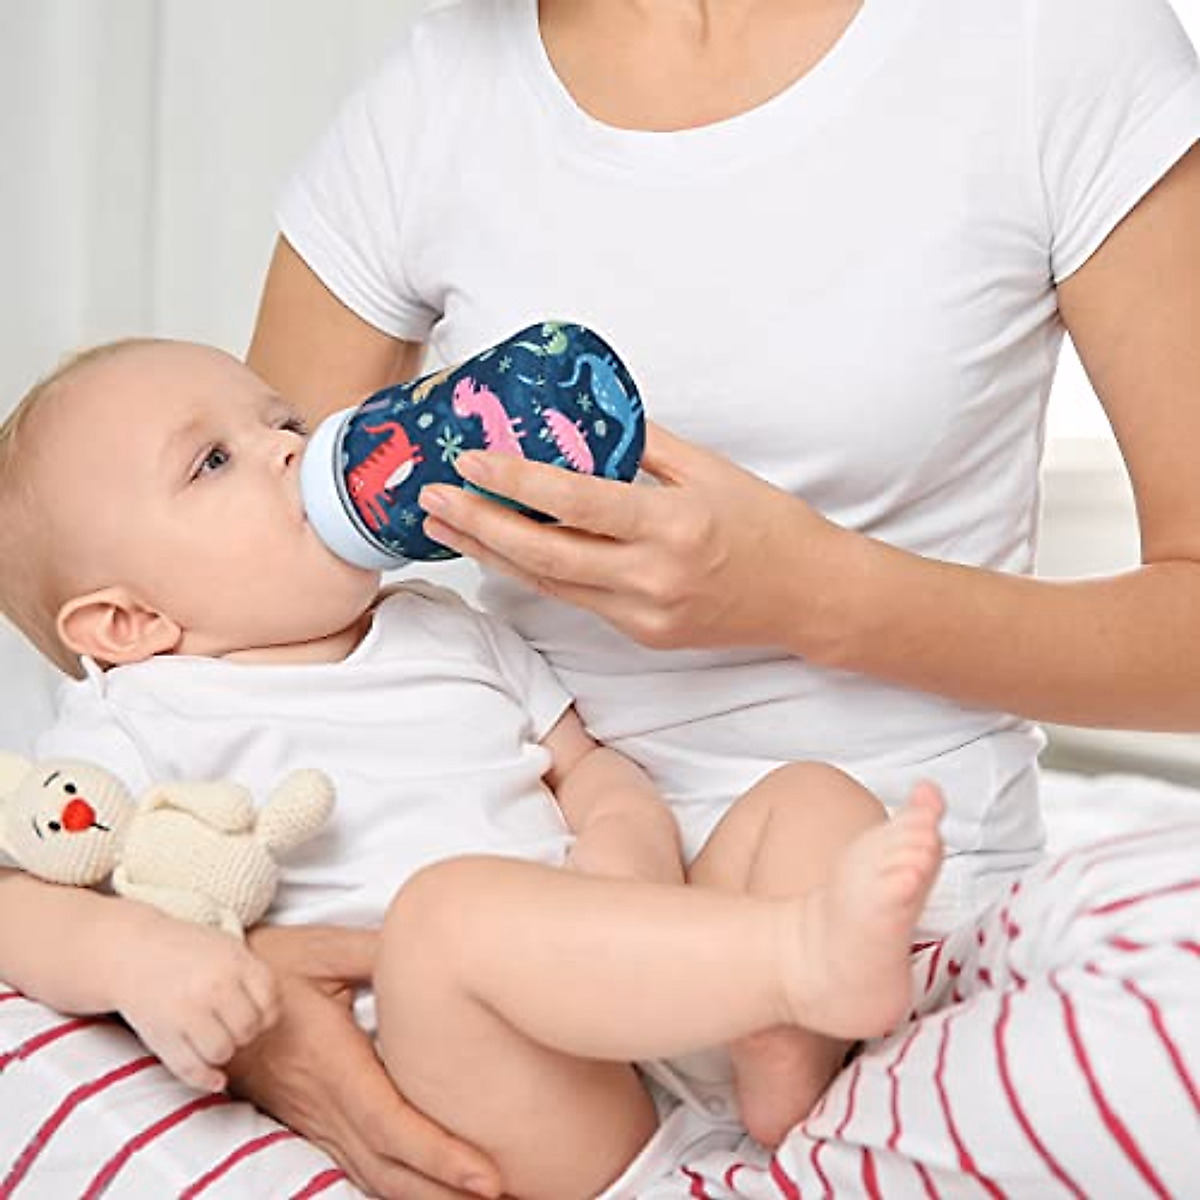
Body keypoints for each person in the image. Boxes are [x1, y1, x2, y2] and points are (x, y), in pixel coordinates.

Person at [232, 0, 1200, 1195]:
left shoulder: (1049, 41)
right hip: (534, 953)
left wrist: (815, 598)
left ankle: (792, 1019)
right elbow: (217, 585)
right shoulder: (432, 101)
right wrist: (259, 1002)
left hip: (894, 936)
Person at [0, 337, 948, 1200]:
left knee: (810, 800)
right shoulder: (141, 715)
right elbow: (19, 901)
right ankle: (792, 964)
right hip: (500, 1095)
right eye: (212, 461)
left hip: (655, 1020)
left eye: (281, 420)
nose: (290, 448)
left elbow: (588, 768)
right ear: (128, 623)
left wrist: (626, 846)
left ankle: (777, 1052)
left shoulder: (440, 624)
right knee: (442, 921)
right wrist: (138, 956)